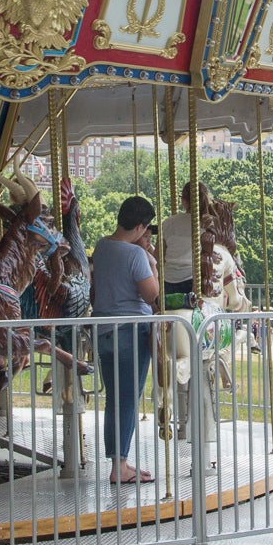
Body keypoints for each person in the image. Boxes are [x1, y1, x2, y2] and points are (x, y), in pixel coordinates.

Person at [89, 194, 161, 485]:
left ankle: (118, 461)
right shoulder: (135, 255)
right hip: (130, 330)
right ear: (142, 227)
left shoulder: (103, 246)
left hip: (104, 329)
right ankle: (120, 466)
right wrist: (153, 265)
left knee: (114, 400)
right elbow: (152, 295)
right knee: (128, 399)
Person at [158, 182, 197, 310]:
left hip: (168, 280)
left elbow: (158, 256)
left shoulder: (168, 223)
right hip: (192, 281)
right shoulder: (205, 224)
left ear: (183, 201)